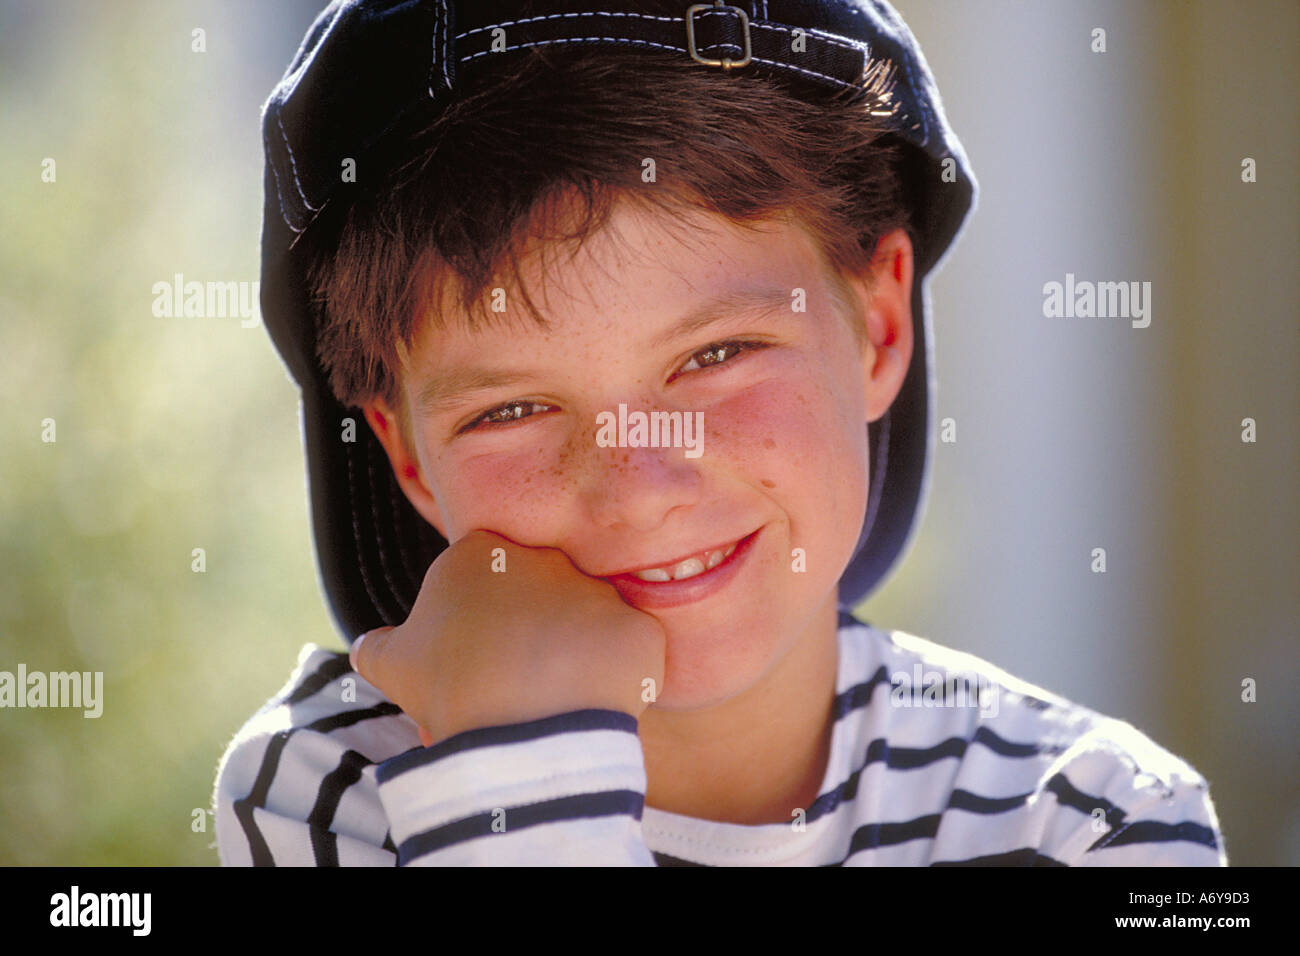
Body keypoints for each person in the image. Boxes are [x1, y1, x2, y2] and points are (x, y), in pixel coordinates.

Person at [214, 0, 1227, 866]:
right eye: (511, 409)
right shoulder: (325, 790)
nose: (640, 486)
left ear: (878, 328)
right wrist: (516, 774)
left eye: (714, 354)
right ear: (406, 458)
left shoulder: (1093, 817)